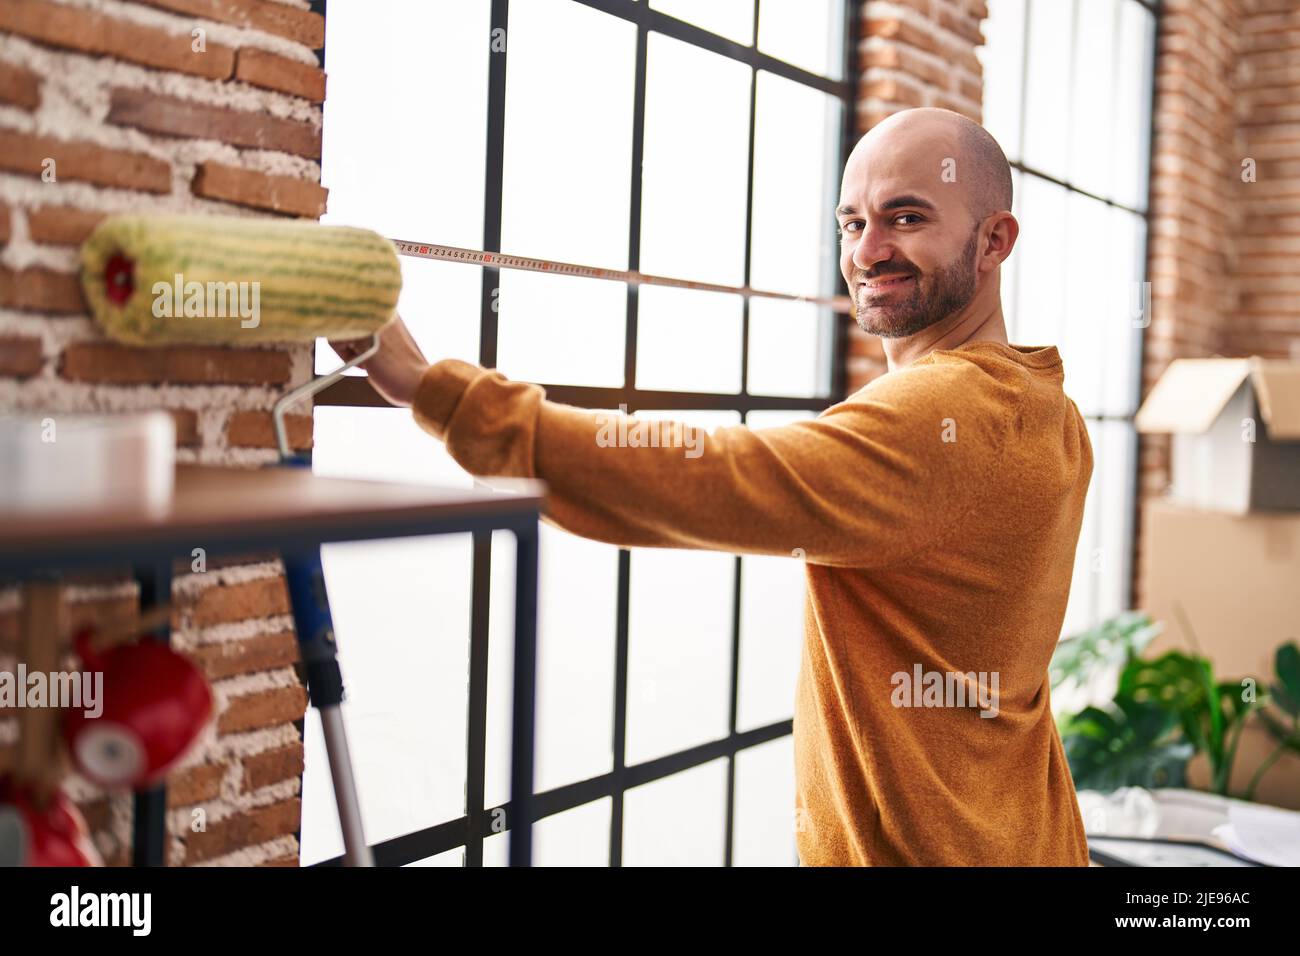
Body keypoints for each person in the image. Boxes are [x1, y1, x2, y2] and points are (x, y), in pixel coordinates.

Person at [332, 107, 1093, 866]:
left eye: (905, 217)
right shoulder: (1049, 409)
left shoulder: (943, 417)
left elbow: (706, 475)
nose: (868, 250)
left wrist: (431, 388)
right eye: (850, 222)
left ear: (995, 240)